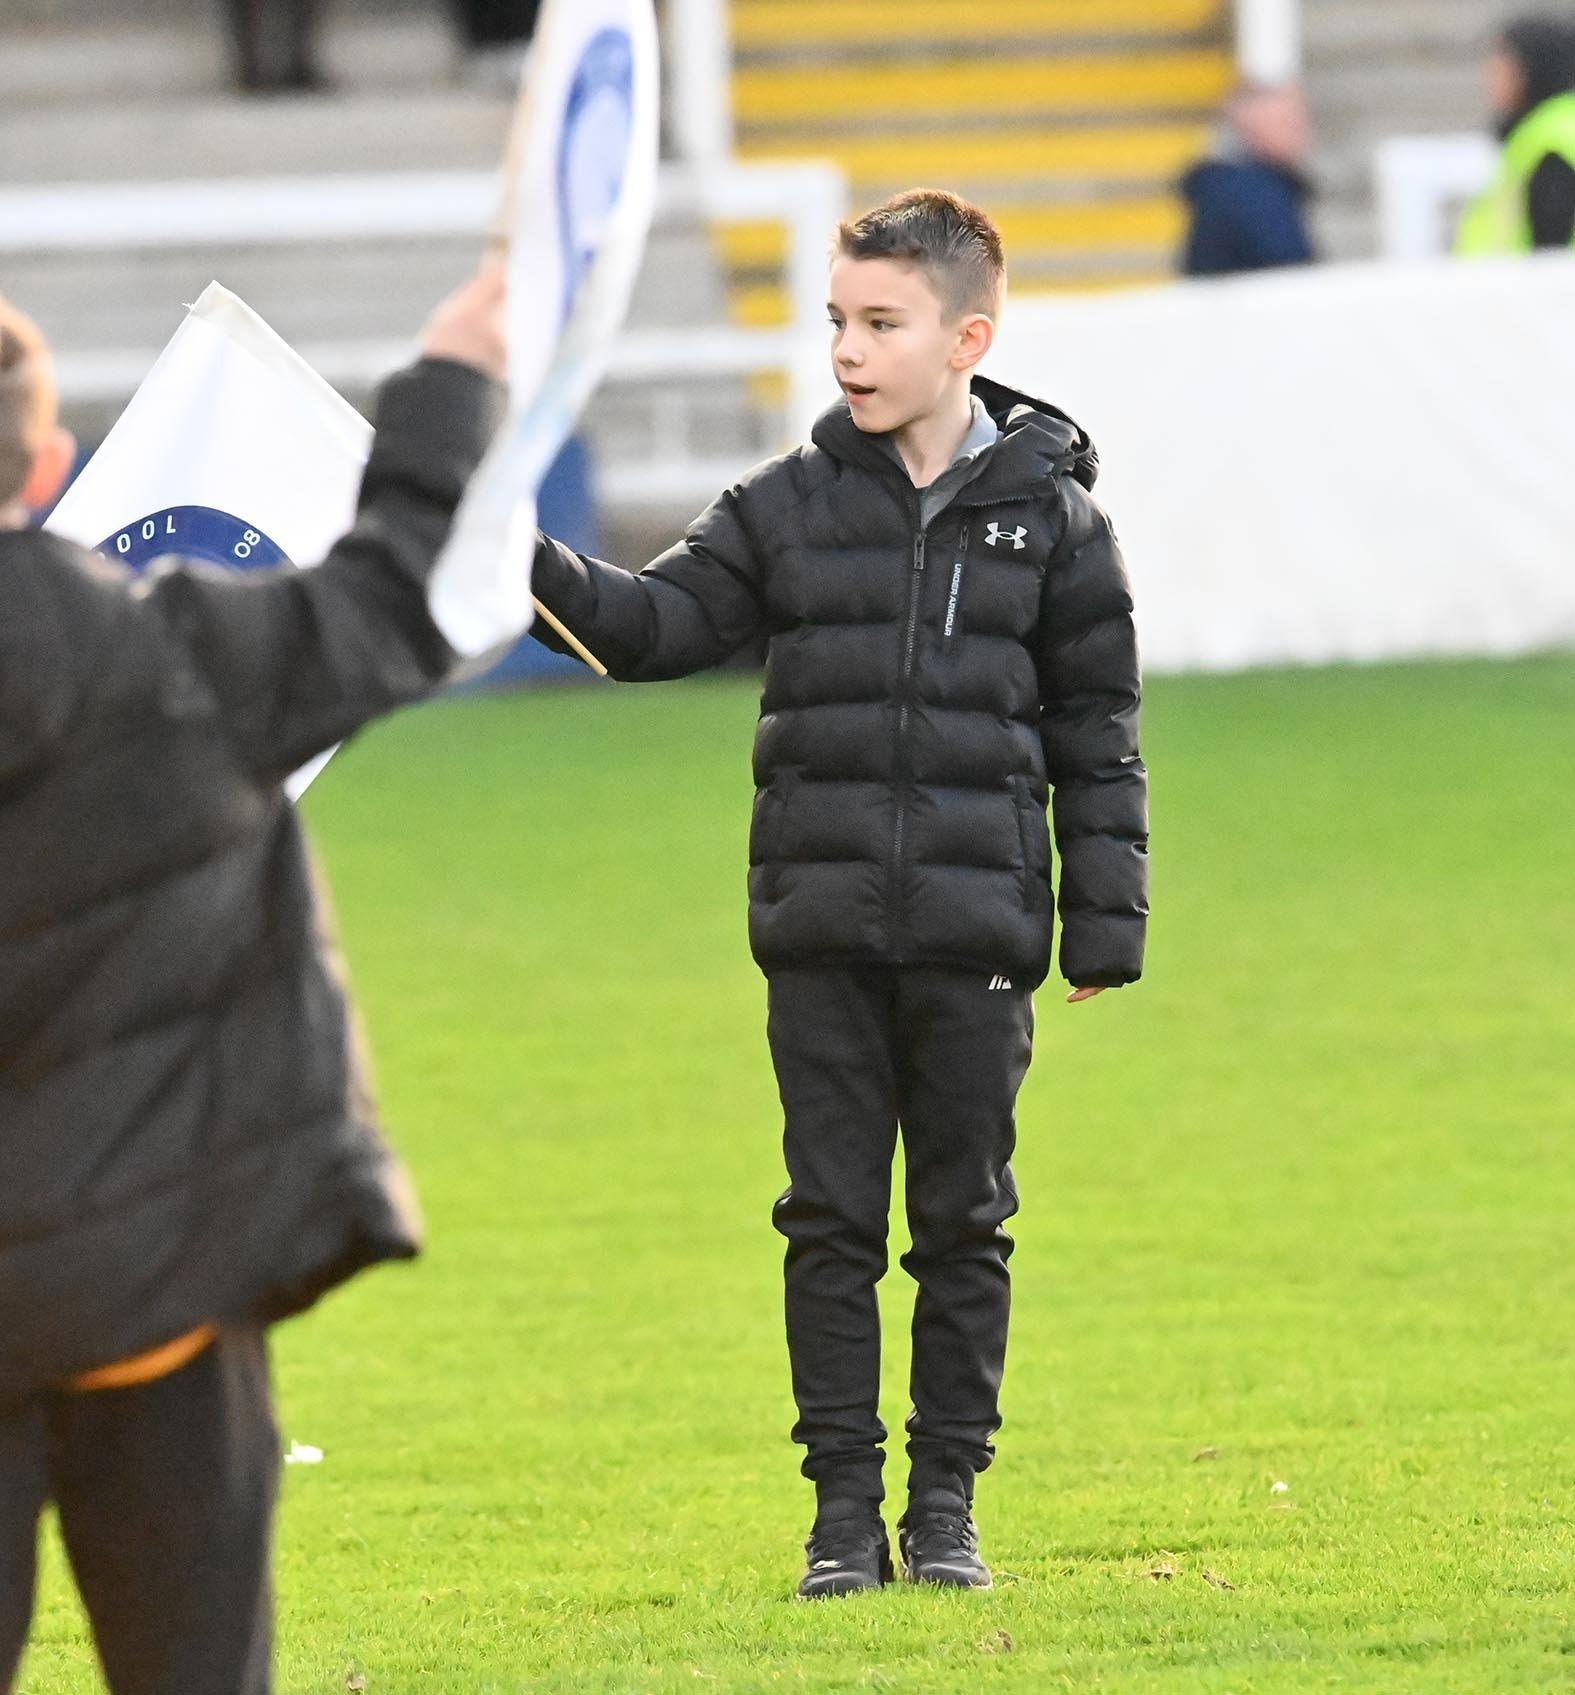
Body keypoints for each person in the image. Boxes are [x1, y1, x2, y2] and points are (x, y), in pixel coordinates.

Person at [527, 189, 1149, 1597]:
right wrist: (516, 556)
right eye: (835, 323)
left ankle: (943, 1508)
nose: (848, 351)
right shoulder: (781, 508)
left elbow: (1095, 732)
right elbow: (646, 626)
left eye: (880, 323)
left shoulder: (1054, 529)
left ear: (965, 336)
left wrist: (1104, 921)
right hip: (816, 938)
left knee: (962, 1222)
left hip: (975, 938)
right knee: (825, 1220)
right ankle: (836, 1515)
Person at [0, 263, 505, 1694]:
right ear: (48, 462)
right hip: (156, 1301)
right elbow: (398, 596)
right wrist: (452, 377)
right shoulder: (180, 652)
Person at [1457, 14, 1575, 254]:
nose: (1490, 79)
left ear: (1532, 68)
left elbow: (1552, 252)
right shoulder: (1538, 131)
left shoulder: (1551, 141)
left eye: (1502, 67)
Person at [1179, 82, 1317, 277]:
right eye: (1289, 122)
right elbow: (1289, 264)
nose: (1303, 133)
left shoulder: (1227, 185)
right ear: (1252, 128)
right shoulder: (1248, 192)